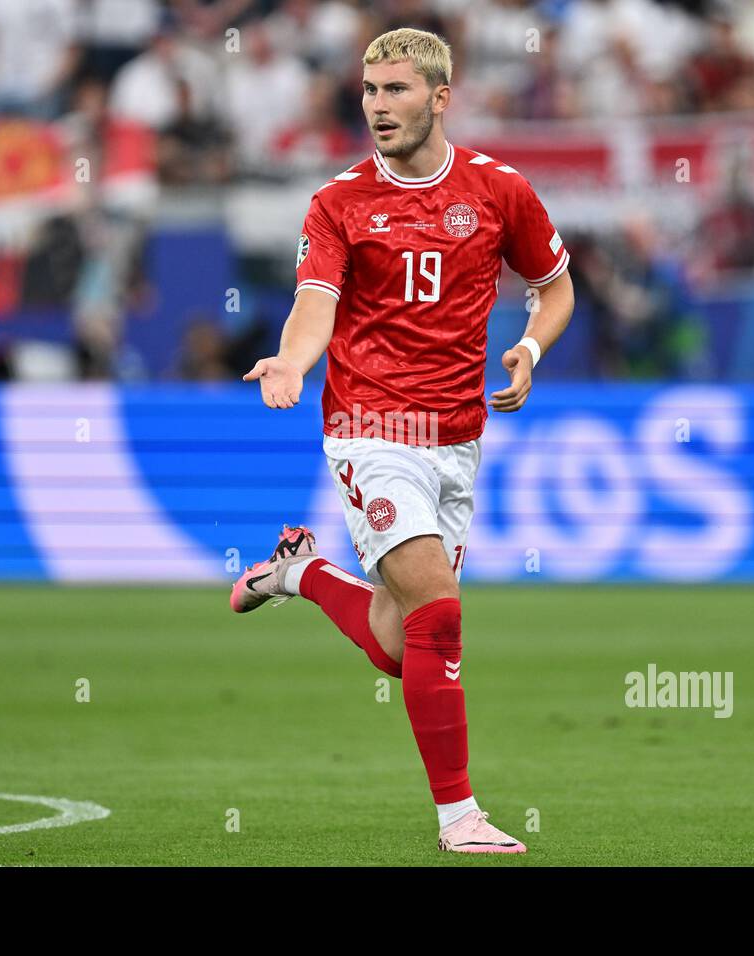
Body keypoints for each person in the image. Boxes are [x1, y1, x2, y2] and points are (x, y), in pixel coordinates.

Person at [231, 28, 574, 855]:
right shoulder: (339, 202)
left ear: (440, 97)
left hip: (457, 438)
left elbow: (556, 289)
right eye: (369, 90)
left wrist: (529, 349)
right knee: (440, 613)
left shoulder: (501, 191)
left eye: (396, 90)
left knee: (399, 645)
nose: (377, 106)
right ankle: (460, 818)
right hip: (370, 428)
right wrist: (293, 360)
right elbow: (315, 301)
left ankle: (300, 572)